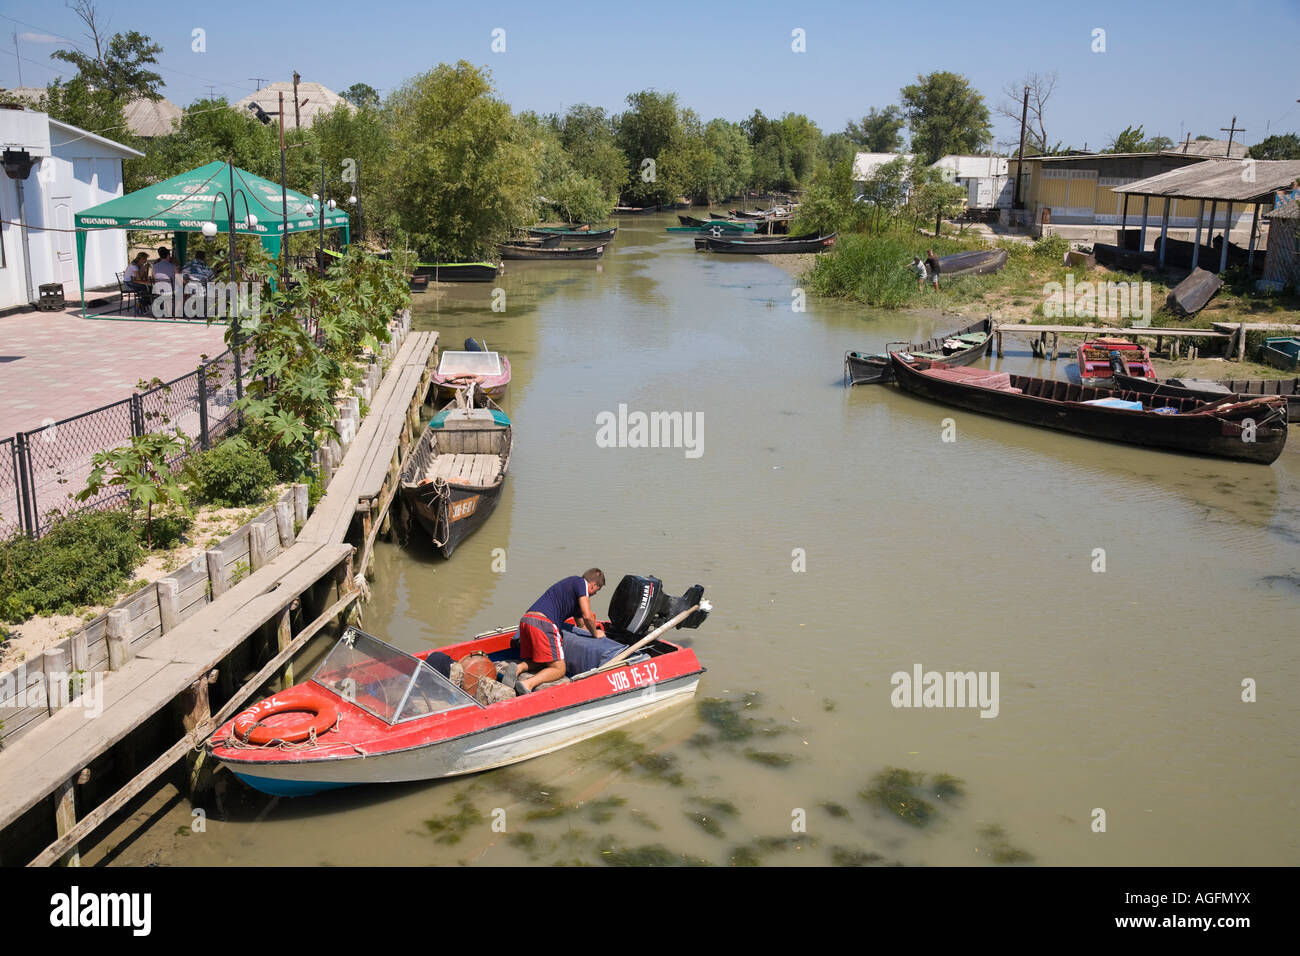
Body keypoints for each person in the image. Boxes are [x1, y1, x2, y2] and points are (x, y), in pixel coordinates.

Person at [511, 569, 606, 694]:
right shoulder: (580, 583)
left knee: (544, 662)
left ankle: (518, 668)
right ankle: (527, 684)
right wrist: (596, 633)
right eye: (597, 590)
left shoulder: (572, 591)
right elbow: (587, 616)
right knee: (559, 669)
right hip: (543, 623)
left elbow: (581, 624)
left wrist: (589, 632)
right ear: (593, 584)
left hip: (526, 621)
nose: (595, 594)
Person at [152, 247, 178, 317]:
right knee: (182, 290)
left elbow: (154, 277)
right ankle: (175, 311)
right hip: (170, 289)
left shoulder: (154, 266)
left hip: (158, 289)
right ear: (168, 255)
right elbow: (179, 278)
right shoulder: (173, 266)